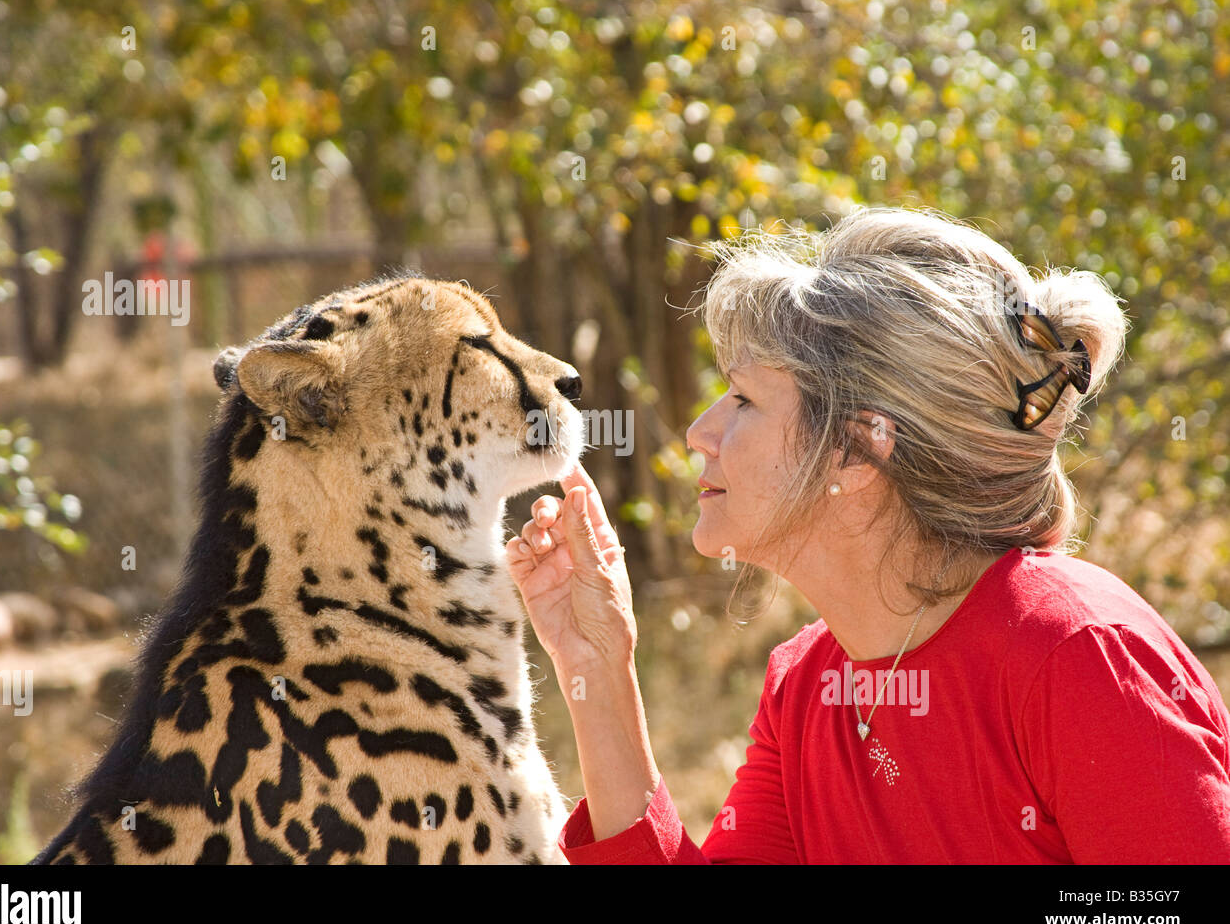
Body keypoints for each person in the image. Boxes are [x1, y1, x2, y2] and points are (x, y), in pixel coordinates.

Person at [505, 205, 1230, 864]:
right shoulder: (804, 685)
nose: (701, 432)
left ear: (857, 450)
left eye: (744, 398)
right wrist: (599, 666)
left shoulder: (1080, 655)